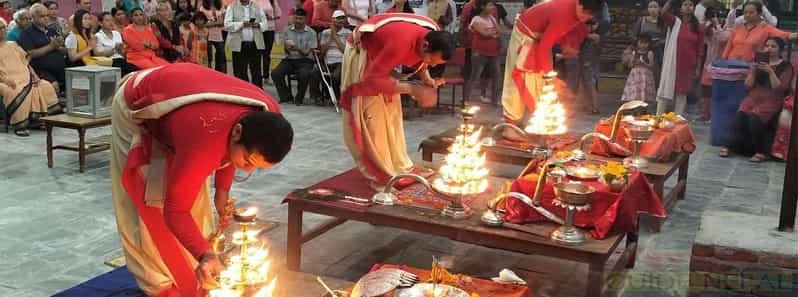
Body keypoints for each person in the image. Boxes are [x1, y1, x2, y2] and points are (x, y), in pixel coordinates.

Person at [110, 63, 293, 297]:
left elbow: (230, 151)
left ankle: (192, 266)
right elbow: (175, 211)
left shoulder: (268, 116)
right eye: (248, 161)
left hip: (187, 106)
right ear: (237, 131)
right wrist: (205, 255)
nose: (247, 170)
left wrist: (222, 192)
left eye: (256, 167)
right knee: (152, 201)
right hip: (138, 104)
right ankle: (160, 282)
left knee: (193, 196)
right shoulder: (203, 139)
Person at [340, 13, 452, 189]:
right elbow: (372, 81)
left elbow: (421, 59)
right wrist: (413, 89)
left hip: (384, 54)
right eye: (431, 60)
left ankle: (397, 164)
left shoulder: (433, 34)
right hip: (362, 53)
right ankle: (380, 171)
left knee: (391, 113)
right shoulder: (400, 44)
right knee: (370, 117)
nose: (431, 63)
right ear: (425, 46)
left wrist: (427, 78)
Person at [500, 0, 602, 138]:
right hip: (525, 38)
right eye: (584, 12)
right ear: (578, 3)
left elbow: (560, 32)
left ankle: (537, 123)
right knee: (520, 80)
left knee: (541, 83)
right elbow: (544, 47)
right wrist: (551, 77)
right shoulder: (563, 13)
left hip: (539, 39)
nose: (585, 17)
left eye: (589, 15)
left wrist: (565, 46)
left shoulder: (576, 13)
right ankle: (509, 128)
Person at [720, 37, 792, 162]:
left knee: (756, 116)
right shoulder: (758, 62)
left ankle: (761, 151)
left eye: (773, 46)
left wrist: (770, 72)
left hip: (772, 97)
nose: (769, 49)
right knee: (741, 114)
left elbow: (779, 88)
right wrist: (753, 71)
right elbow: (748, 86)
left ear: (780, 50)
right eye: (767, 46)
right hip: (755, 95)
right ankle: (729, 145)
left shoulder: (786, 66)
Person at [0, 18, 59, 137]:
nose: (3, 30)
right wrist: (5, 80)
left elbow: (25, 62)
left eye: (3, 27)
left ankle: (38, 120)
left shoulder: (13, 44)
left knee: (45, 86)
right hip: (5, 79)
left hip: (24, 75)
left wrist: (34, 74)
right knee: (15, 90)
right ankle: (20, 124)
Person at [655, 0, 704, 115]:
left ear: (694, 8)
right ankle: (658, 117)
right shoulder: (675, 22)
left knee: (682, 93)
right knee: (666, 89)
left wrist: (698, 68)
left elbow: (700, 49)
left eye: (690, 5)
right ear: (681, 8)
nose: (688, 7)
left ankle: (677, 121)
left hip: (688, 64)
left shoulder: (699, 27)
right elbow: (662, 13)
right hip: (673, 62)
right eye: (685, 5)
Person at [722, 1, 798, 63]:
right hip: (731, 66)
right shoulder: (738, 28)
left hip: (751, 68)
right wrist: (722, 62)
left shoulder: (766, 28)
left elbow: (786, 35)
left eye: (751, 12)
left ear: (759, 13)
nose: (748, 15)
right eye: (745, 12)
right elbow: (728, 47)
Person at [271, 8, 316, 104]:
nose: (298, 21)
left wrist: (297, 48)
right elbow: (285, 50)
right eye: (296, 18)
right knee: (275, 73)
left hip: (305, 60)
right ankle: (286, 97)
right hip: (290, 59)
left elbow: (307, 52)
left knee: (304, 74)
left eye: (300, 19)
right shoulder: (287, 30)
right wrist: (287, 48)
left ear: (305, 19)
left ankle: (299, 98)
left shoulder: (312, 33)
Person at [699, 6, 734, 122]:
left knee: (716, 92)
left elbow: (722, 38)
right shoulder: (711, 29)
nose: (717, 18)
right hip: (708, 65)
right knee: (706, 91)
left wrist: (717, 24)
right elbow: (703, 33)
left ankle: (714, 115)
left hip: (721, 67)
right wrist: (712, 23)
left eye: (719, 16)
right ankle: (705, 114)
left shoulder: (729, 30)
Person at [19, 4, 66, 89]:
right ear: (33, 17)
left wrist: (59, 47)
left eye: (47, 15)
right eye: (42, 16)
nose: (46, 18)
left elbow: (64, 50)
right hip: (40, 70)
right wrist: (51, 47)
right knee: (53, 86)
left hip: (60, 69)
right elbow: (31, 54)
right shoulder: (26, 33)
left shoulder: (52, 30)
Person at [309, 9, 350, 104]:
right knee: (315, 70)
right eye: (338, 18)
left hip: (341, 61)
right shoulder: (325, 33)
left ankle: (335, 96)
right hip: (327, 61)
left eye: (342, 18)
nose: (340, 21)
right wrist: (331, 37)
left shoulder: (348, 33)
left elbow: (345, 51)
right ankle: (318, 97)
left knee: (335, 76)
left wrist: (335, 36)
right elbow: (322, 52)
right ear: (333, 20)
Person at [463, 0, 500, 105]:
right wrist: (492, 33)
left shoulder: (492, 18)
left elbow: (499, 31)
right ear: (483, 6)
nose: (492, 7)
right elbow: (484, 34)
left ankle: (495, 101)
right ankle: (466, 99)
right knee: (475, 75)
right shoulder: (476, 19)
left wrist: (491, 33)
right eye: (490, 5)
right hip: (479, 52)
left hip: (493, 52)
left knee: (496, 76)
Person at [224, 0, 268, 85]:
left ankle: (257, 93)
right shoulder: (232, 6)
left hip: (255, 44)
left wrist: (258, 25)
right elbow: (227, 25)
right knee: (239, 72)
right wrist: (242, 24)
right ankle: (243, 93)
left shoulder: (257, 6)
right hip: (239, 44)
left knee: (256, 72)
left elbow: (265, 24)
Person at [631, 0, 666, 74]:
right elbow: (634, 35)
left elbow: (665, 38)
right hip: (642, 48)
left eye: (655, 7)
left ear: (659, 8)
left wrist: (658, 43)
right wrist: (640, 43)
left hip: (657, 49)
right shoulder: (642, 20)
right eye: (650, 7)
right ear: (647, 9)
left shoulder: (663, 22)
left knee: (658, 67)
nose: (653, 9)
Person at [622, 34, 656, 103]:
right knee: (635, 92)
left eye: (645, 43)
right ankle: (634, 109)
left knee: (644, 92)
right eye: (641, 43)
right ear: (637, 42)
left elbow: (651, 65)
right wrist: (635, 63)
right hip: (635, 76)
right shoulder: (634, 53)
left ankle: (643, 109)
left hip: (645, 75)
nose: (643, 45)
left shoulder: (649, 53)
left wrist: (644, 64)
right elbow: (630, 65)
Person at [199, 0, 226, 72]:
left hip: (219, 34)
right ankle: (208, 72)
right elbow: (202, 23)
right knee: (208, 54)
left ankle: (219, 72)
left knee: (221, 53)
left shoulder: (221, 6)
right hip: (206, 33)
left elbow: (223, 22)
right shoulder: (202, 8)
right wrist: (216, 23)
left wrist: (211, 23)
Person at [257, 0, 280, 84]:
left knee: (266, 54)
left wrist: (270, 17)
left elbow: (278, 15)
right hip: (259, 29)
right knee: (258, 53)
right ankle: (257, 76)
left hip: (270, 29)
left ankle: (266, 76)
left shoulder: (273, 1)